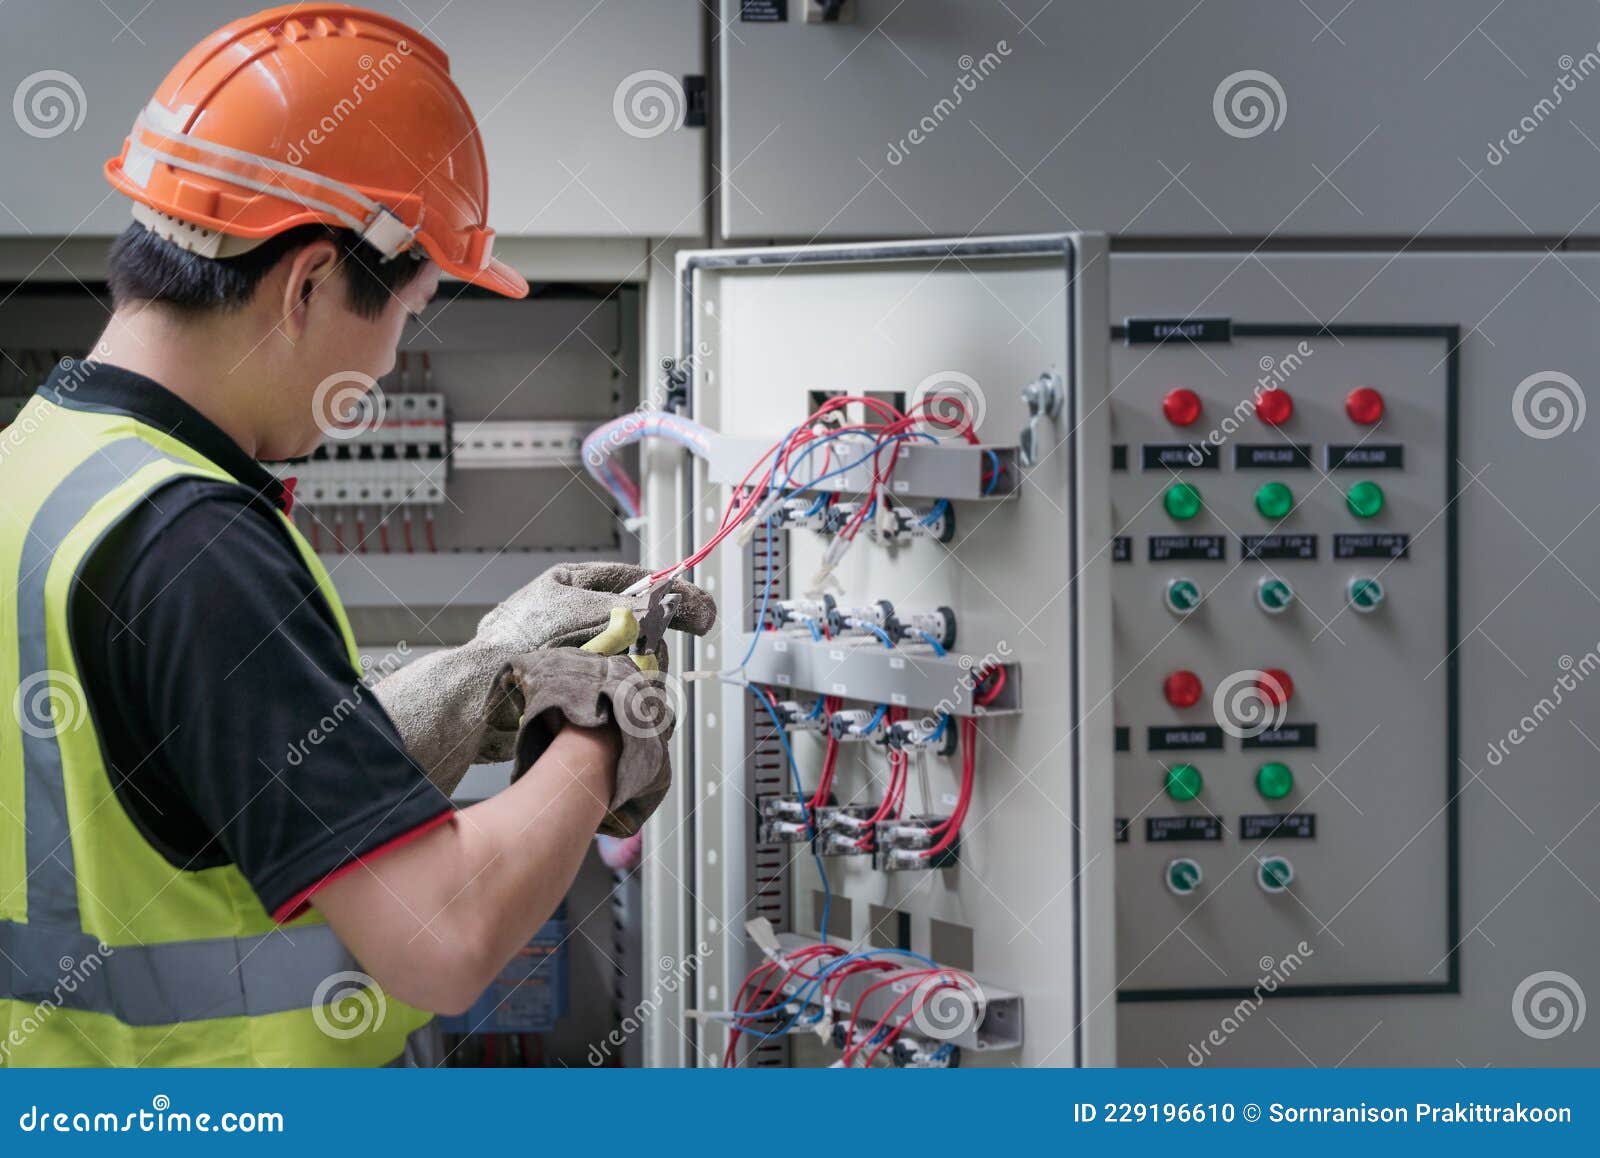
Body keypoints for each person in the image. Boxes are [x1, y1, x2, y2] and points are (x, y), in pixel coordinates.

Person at [0, 3, 709, 1068]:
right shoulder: (195, 543)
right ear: (311, 282)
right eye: (406, 315)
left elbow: (177, 777)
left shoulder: (41, 467)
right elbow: (445, 942)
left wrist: (478, 678)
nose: (382, 367)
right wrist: (598, 730)